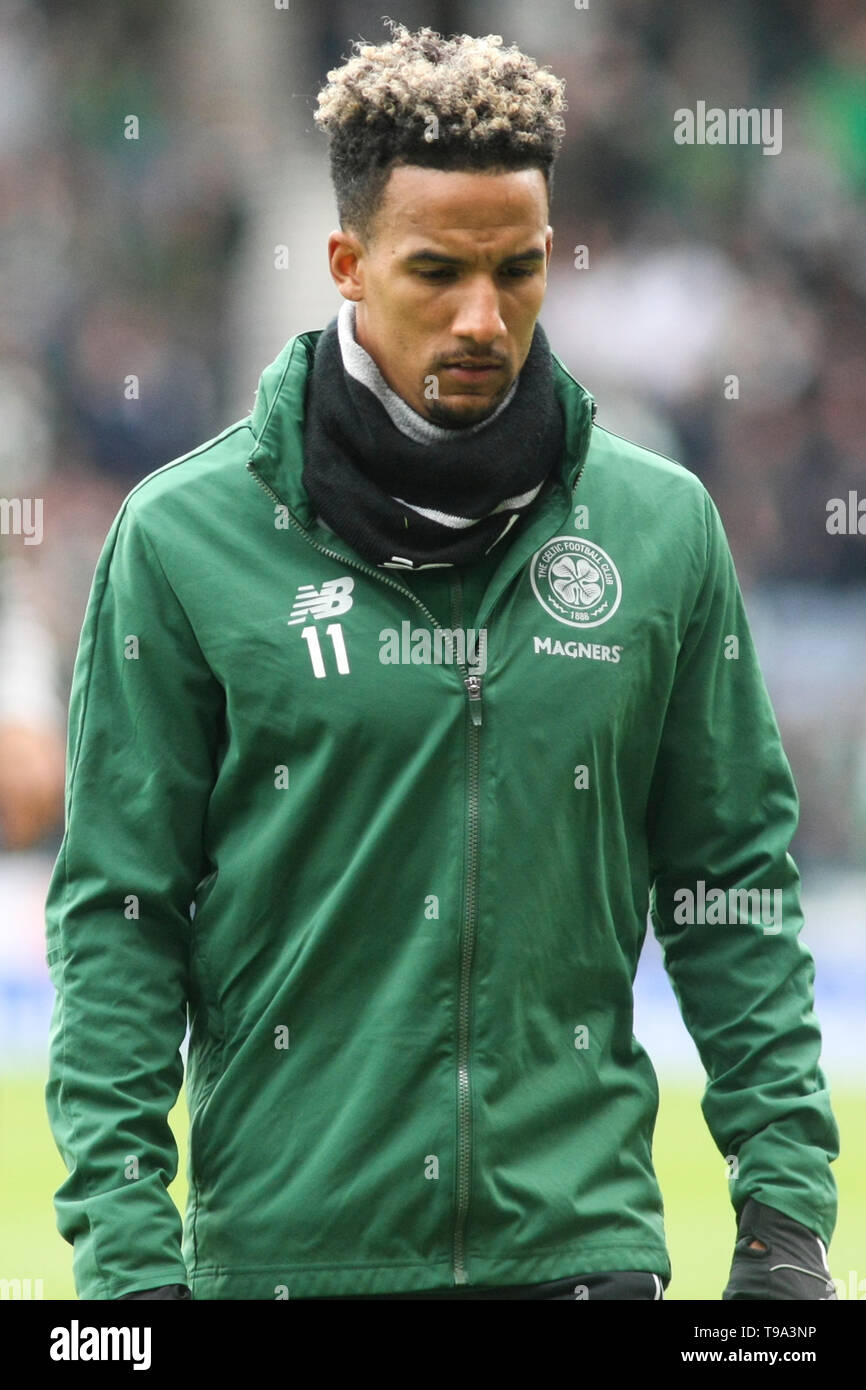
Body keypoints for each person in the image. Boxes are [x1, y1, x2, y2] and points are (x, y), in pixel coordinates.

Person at [45, 21, 838, 1301]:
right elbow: (120, 919)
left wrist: (784, 1225)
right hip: (287, 1266)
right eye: (435, 273)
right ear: (346, 265)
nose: (484, 317)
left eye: (518, 270)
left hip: (580, 1261)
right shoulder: (181, 539)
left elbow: (729, 890)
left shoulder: (659, 529)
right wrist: (129, 1273)